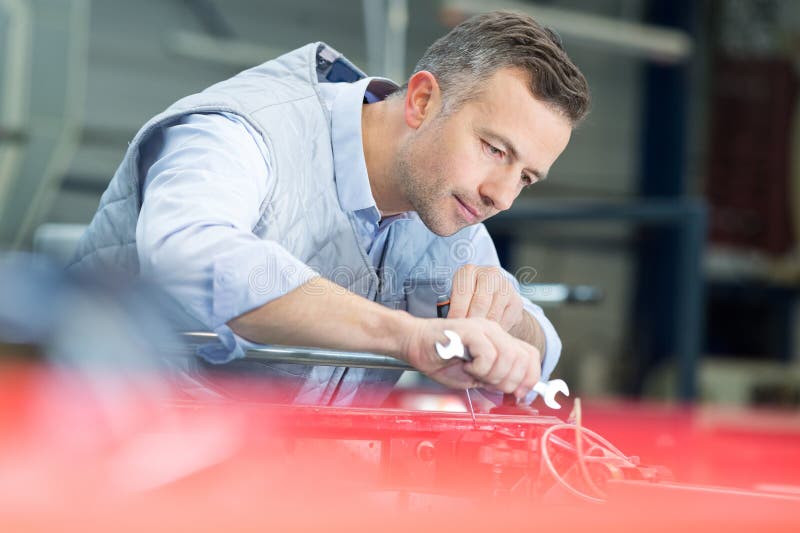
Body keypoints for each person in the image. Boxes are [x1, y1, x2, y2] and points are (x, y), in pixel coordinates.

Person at [69, 11, 590, 407]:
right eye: (494, 150)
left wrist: (508, 317)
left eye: (525, 176)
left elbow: (543, 347)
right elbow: (195, 256)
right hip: (95, 452)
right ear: (423, 102)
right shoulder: (244, 131)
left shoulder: (443, 205)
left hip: (262, 483)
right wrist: (406, 336)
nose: (501, 195)